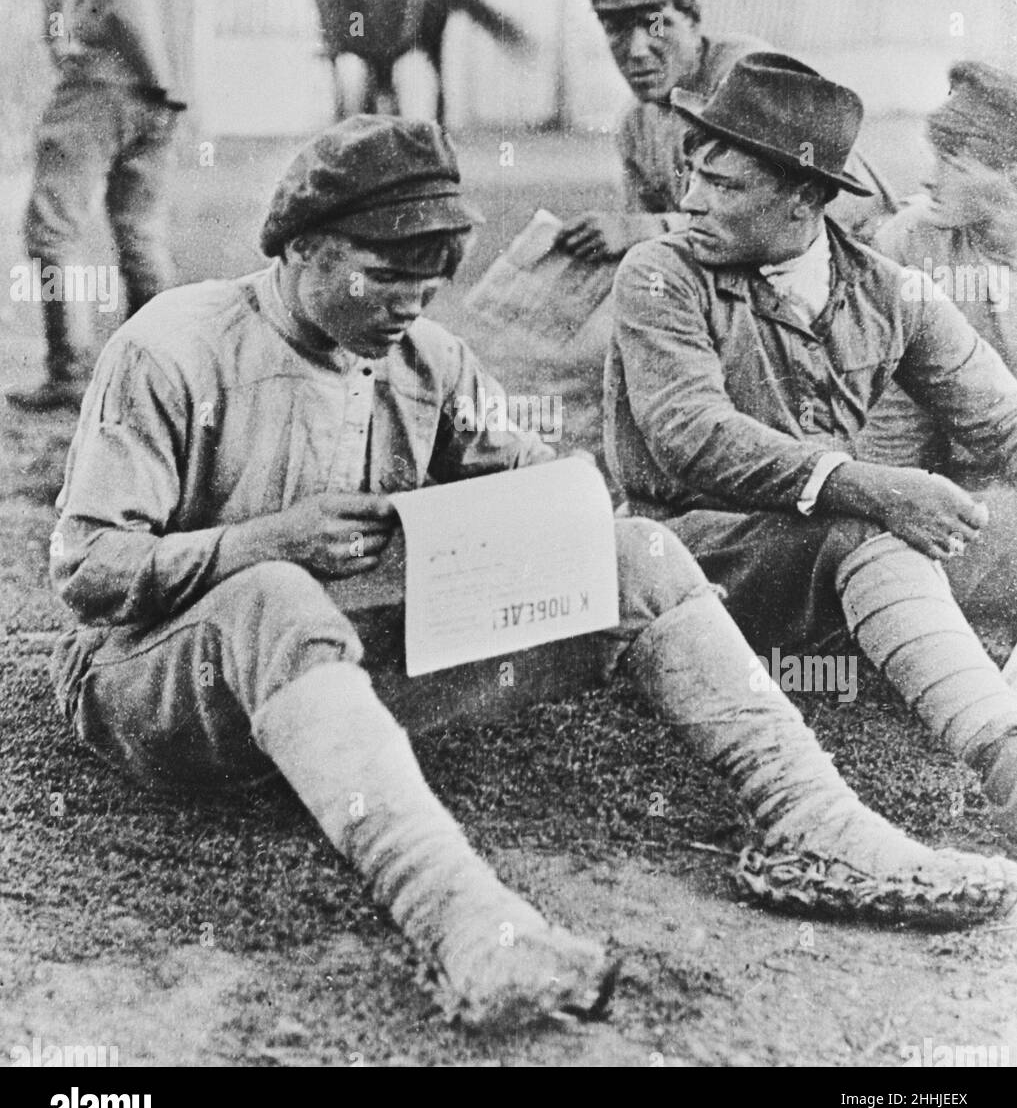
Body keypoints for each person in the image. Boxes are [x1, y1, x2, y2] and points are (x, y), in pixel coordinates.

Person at [49, 117, 1017, 1034]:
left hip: (334, 680)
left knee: (634, 551)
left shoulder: (423, 356)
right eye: (385, 278)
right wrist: (263, 542)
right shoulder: (173, 347)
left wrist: (549, 493)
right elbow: (90, 573)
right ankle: (466, 926)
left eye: (428, 287)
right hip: (161, 680)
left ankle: (818, 822)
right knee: (277, 596)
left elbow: (531, 477)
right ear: (300, 248)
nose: (407, 308)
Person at [606, 51, 1017, 844]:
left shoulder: (888, 290)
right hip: (698, 569)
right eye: (694, 174)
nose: (688, 202)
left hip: (844, 576)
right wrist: (864, 484)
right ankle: (1002, 753)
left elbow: (1001, 423)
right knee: (865, 523)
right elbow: (691, 436)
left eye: (722, 186)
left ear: (803, 200)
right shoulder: (659, 275)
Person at [9, 0, 193, 412]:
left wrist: (58, 35)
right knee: (141, 229)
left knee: (52, 228)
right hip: (164, 94)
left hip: (100, 87)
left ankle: (67, 373)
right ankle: (154, 376)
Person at [556, 0, 894, 264]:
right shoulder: (636, 122)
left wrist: (645, 229)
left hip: (851, 264)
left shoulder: (750, 77)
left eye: (655, 24)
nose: (636, 50)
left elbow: (788, 220)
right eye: (615, 28)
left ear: (693, 19)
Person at [859, 60, 1017, 489]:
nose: (929, 180)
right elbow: (894, 407)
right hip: (950, 480)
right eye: (936, 159)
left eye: (955, 165)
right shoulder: (910, 240)